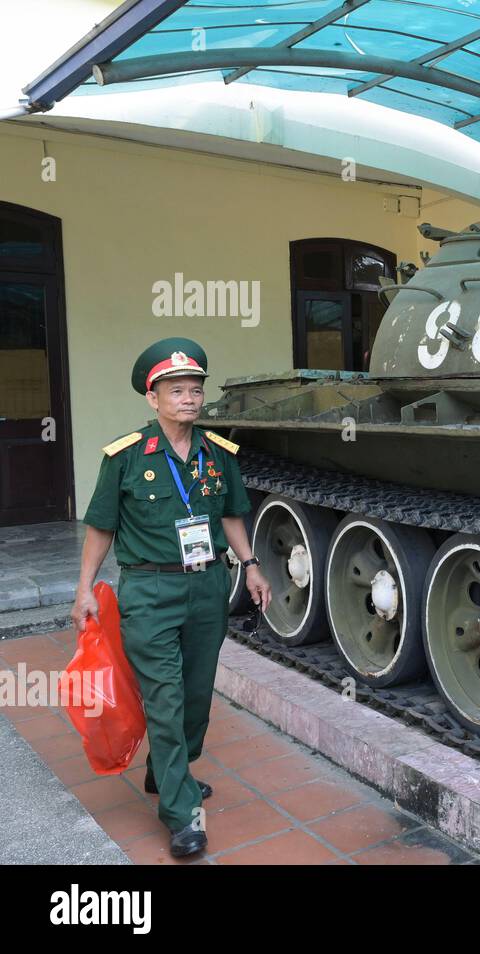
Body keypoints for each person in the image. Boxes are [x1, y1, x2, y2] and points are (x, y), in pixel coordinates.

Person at [73, 337, 271, 858]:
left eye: (195, 389)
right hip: (149, 589)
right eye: (176, 390)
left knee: (197, 694)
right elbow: (100, 526)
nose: (189, 398)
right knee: (164, 697)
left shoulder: (218, 453)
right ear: (152, 398)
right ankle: (182, 814)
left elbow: (230, 514)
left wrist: (250, 564)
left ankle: (165, 773)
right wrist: (84, 590)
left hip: (207, 585)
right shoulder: (125, 457)